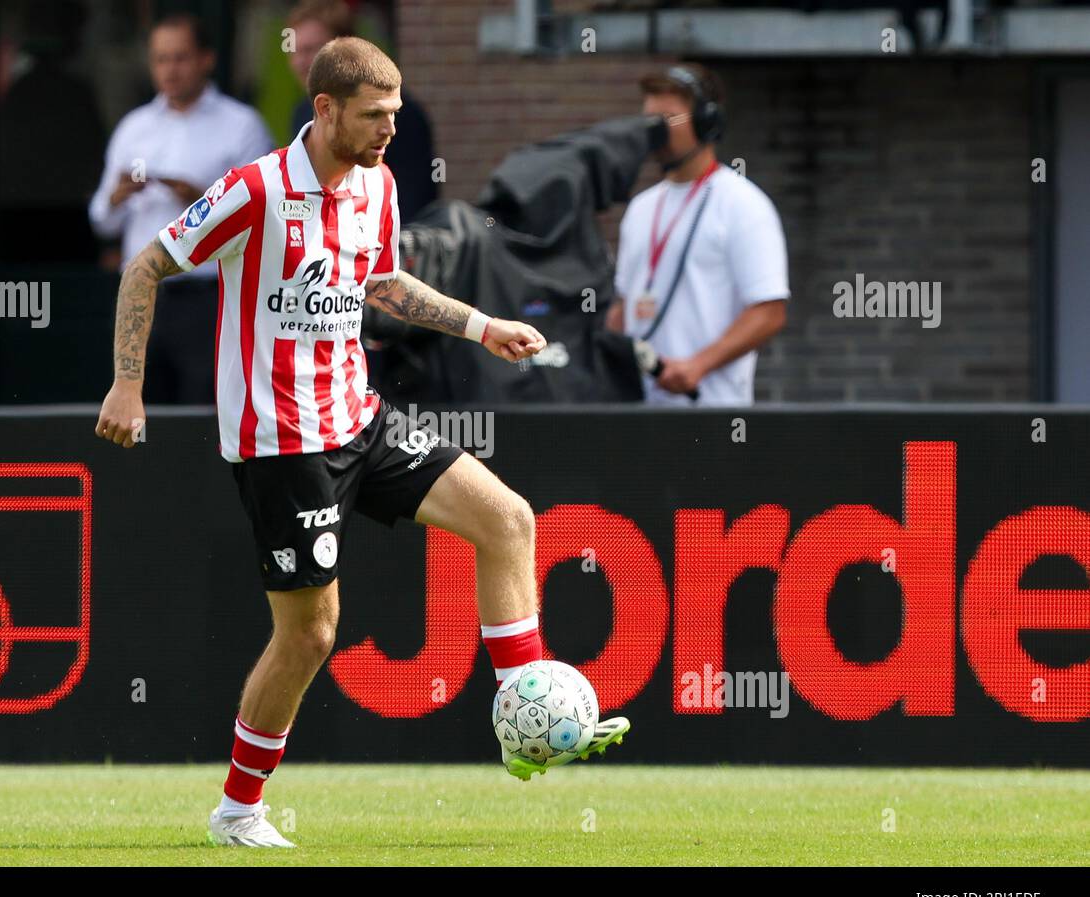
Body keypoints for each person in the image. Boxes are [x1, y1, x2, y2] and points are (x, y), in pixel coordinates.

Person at [95, 37, 631, 848]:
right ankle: (238, 811)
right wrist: (127, 384)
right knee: (310, 634)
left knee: (509, 520)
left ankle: (526, 715)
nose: (390, 128)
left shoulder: (376, 185)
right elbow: (145, 268)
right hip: (283, 443)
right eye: (375, 115)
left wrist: (482, 326)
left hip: (360, 417)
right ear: (326, 110)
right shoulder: (254, 191)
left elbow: (380, 282)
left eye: (396, 112)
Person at [89, 13, 273, 403]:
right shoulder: (133, 127)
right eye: (161, 59)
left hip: (208, 296)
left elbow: (265, 217)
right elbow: (102, 222)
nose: (170, 70)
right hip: (142, 293)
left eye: (180, 58)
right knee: (133, 409)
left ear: (206, 59)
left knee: (203, 414)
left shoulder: (241, 125)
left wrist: (203, 199)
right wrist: (117, 196)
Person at [607, 64, 789, 406]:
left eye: (668, 119)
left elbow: (769, 311)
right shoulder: (640, 209)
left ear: (707, 122)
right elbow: (623, 307)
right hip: (637, 412)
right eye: (650, 119)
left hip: (711, 411)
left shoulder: (742, 204)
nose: (655, 131)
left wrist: (698, 365)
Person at [285, 0, 437, 224]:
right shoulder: (302, 113)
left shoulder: (398, 114)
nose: (299, 62)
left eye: (310, 50)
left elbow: (413, 202)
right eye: (294, 51)